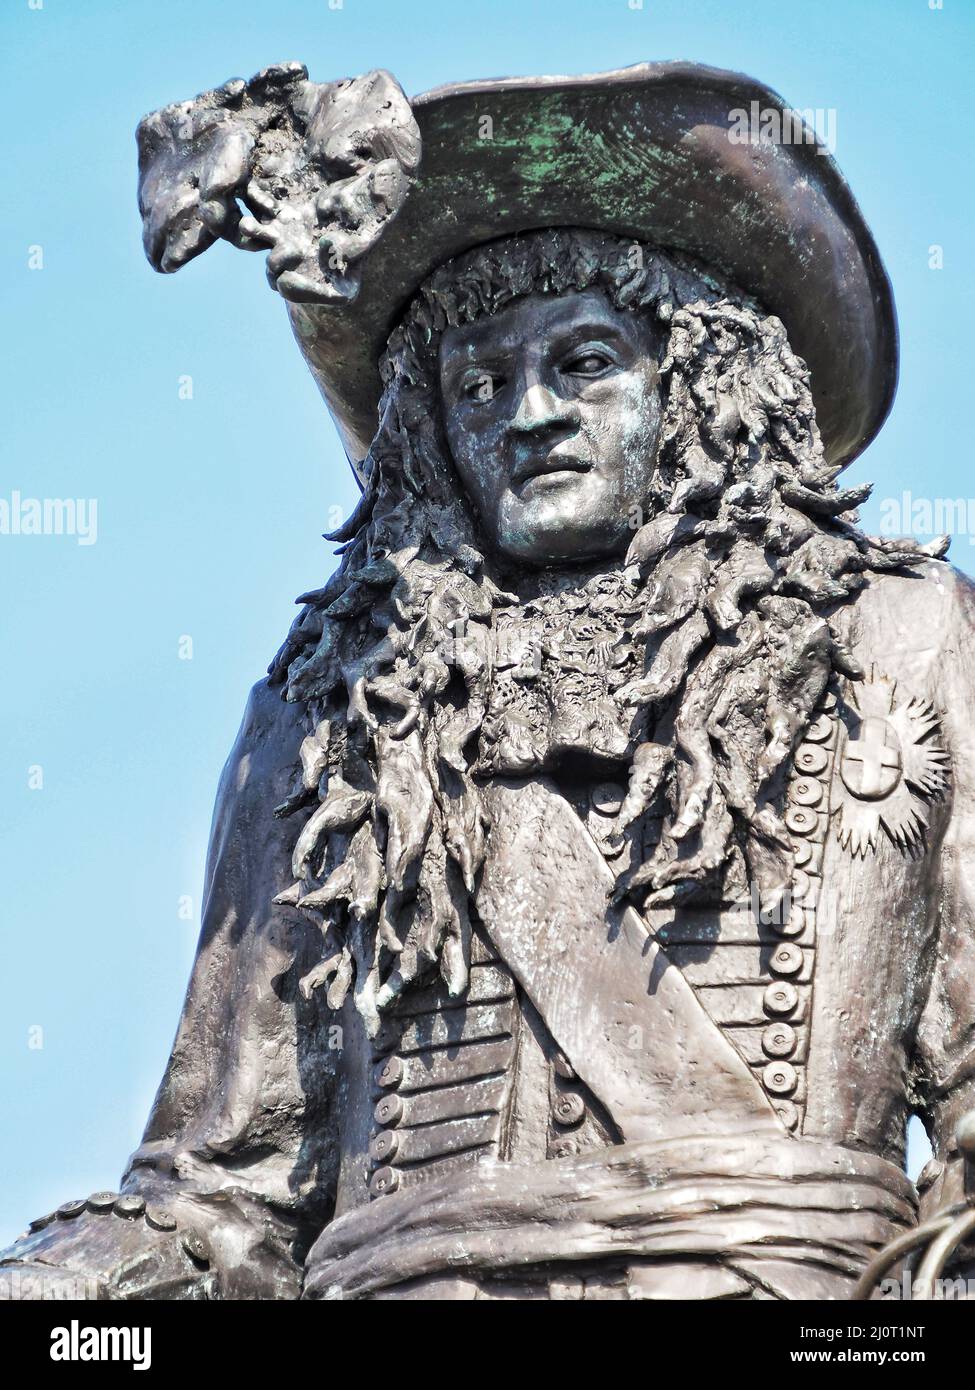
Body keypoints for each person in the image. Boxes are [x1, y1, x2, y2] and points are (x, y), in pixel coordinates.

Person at [4, 60, 973, 1302]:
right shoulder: (321, 710)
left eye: (583, 361)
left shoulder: (898, 633)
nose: (528, 413)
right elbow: (216, 1199)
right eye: (479, 384)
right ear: (427, 434)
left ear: (703, 381)